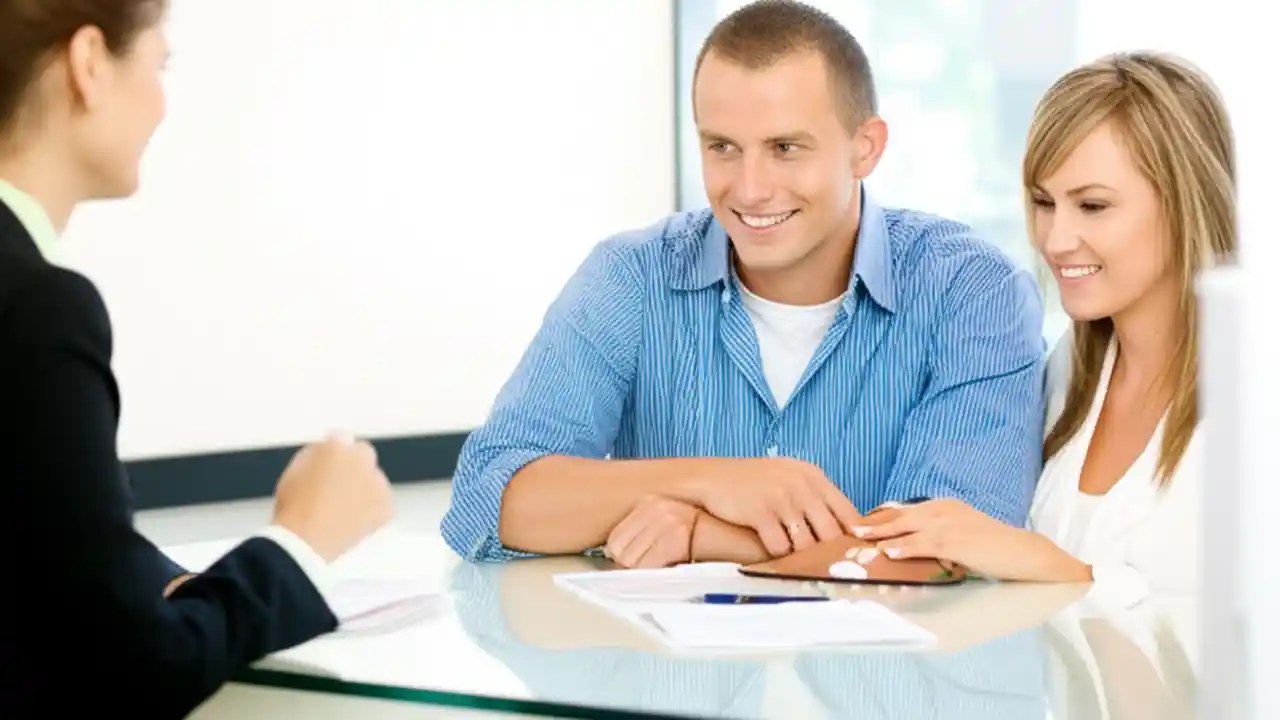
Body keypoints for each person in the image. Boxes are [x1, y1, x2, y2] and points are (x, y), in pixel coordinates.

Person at [442, 0, 1045, 566]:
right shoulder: (630, 277)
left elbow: (944, 553)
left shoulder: (973, 292)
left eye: (785, 148)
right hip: (670, 675)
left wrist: (703, 535)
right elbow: (486, 501)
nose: (750, 189)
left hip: (883, 676)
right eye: (722, 147)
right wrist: (710, 479)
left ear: (866, 148)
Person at [0, 1, 395, 715]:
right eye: (160, 64)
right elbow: (135, 666)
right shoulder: (37, 308)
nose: (160, 104)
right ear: (89, 63)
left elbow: (42, 551)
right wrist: (301, 541)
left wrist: (150, 580)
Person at [852, 51, 1234, 604]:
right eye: (1043, 202)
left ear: (1185, 202)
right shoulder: (1067, 370)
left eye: (1093, 206)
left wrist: (1042, 563)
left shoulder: (1251, 394)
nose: (1055, 240)